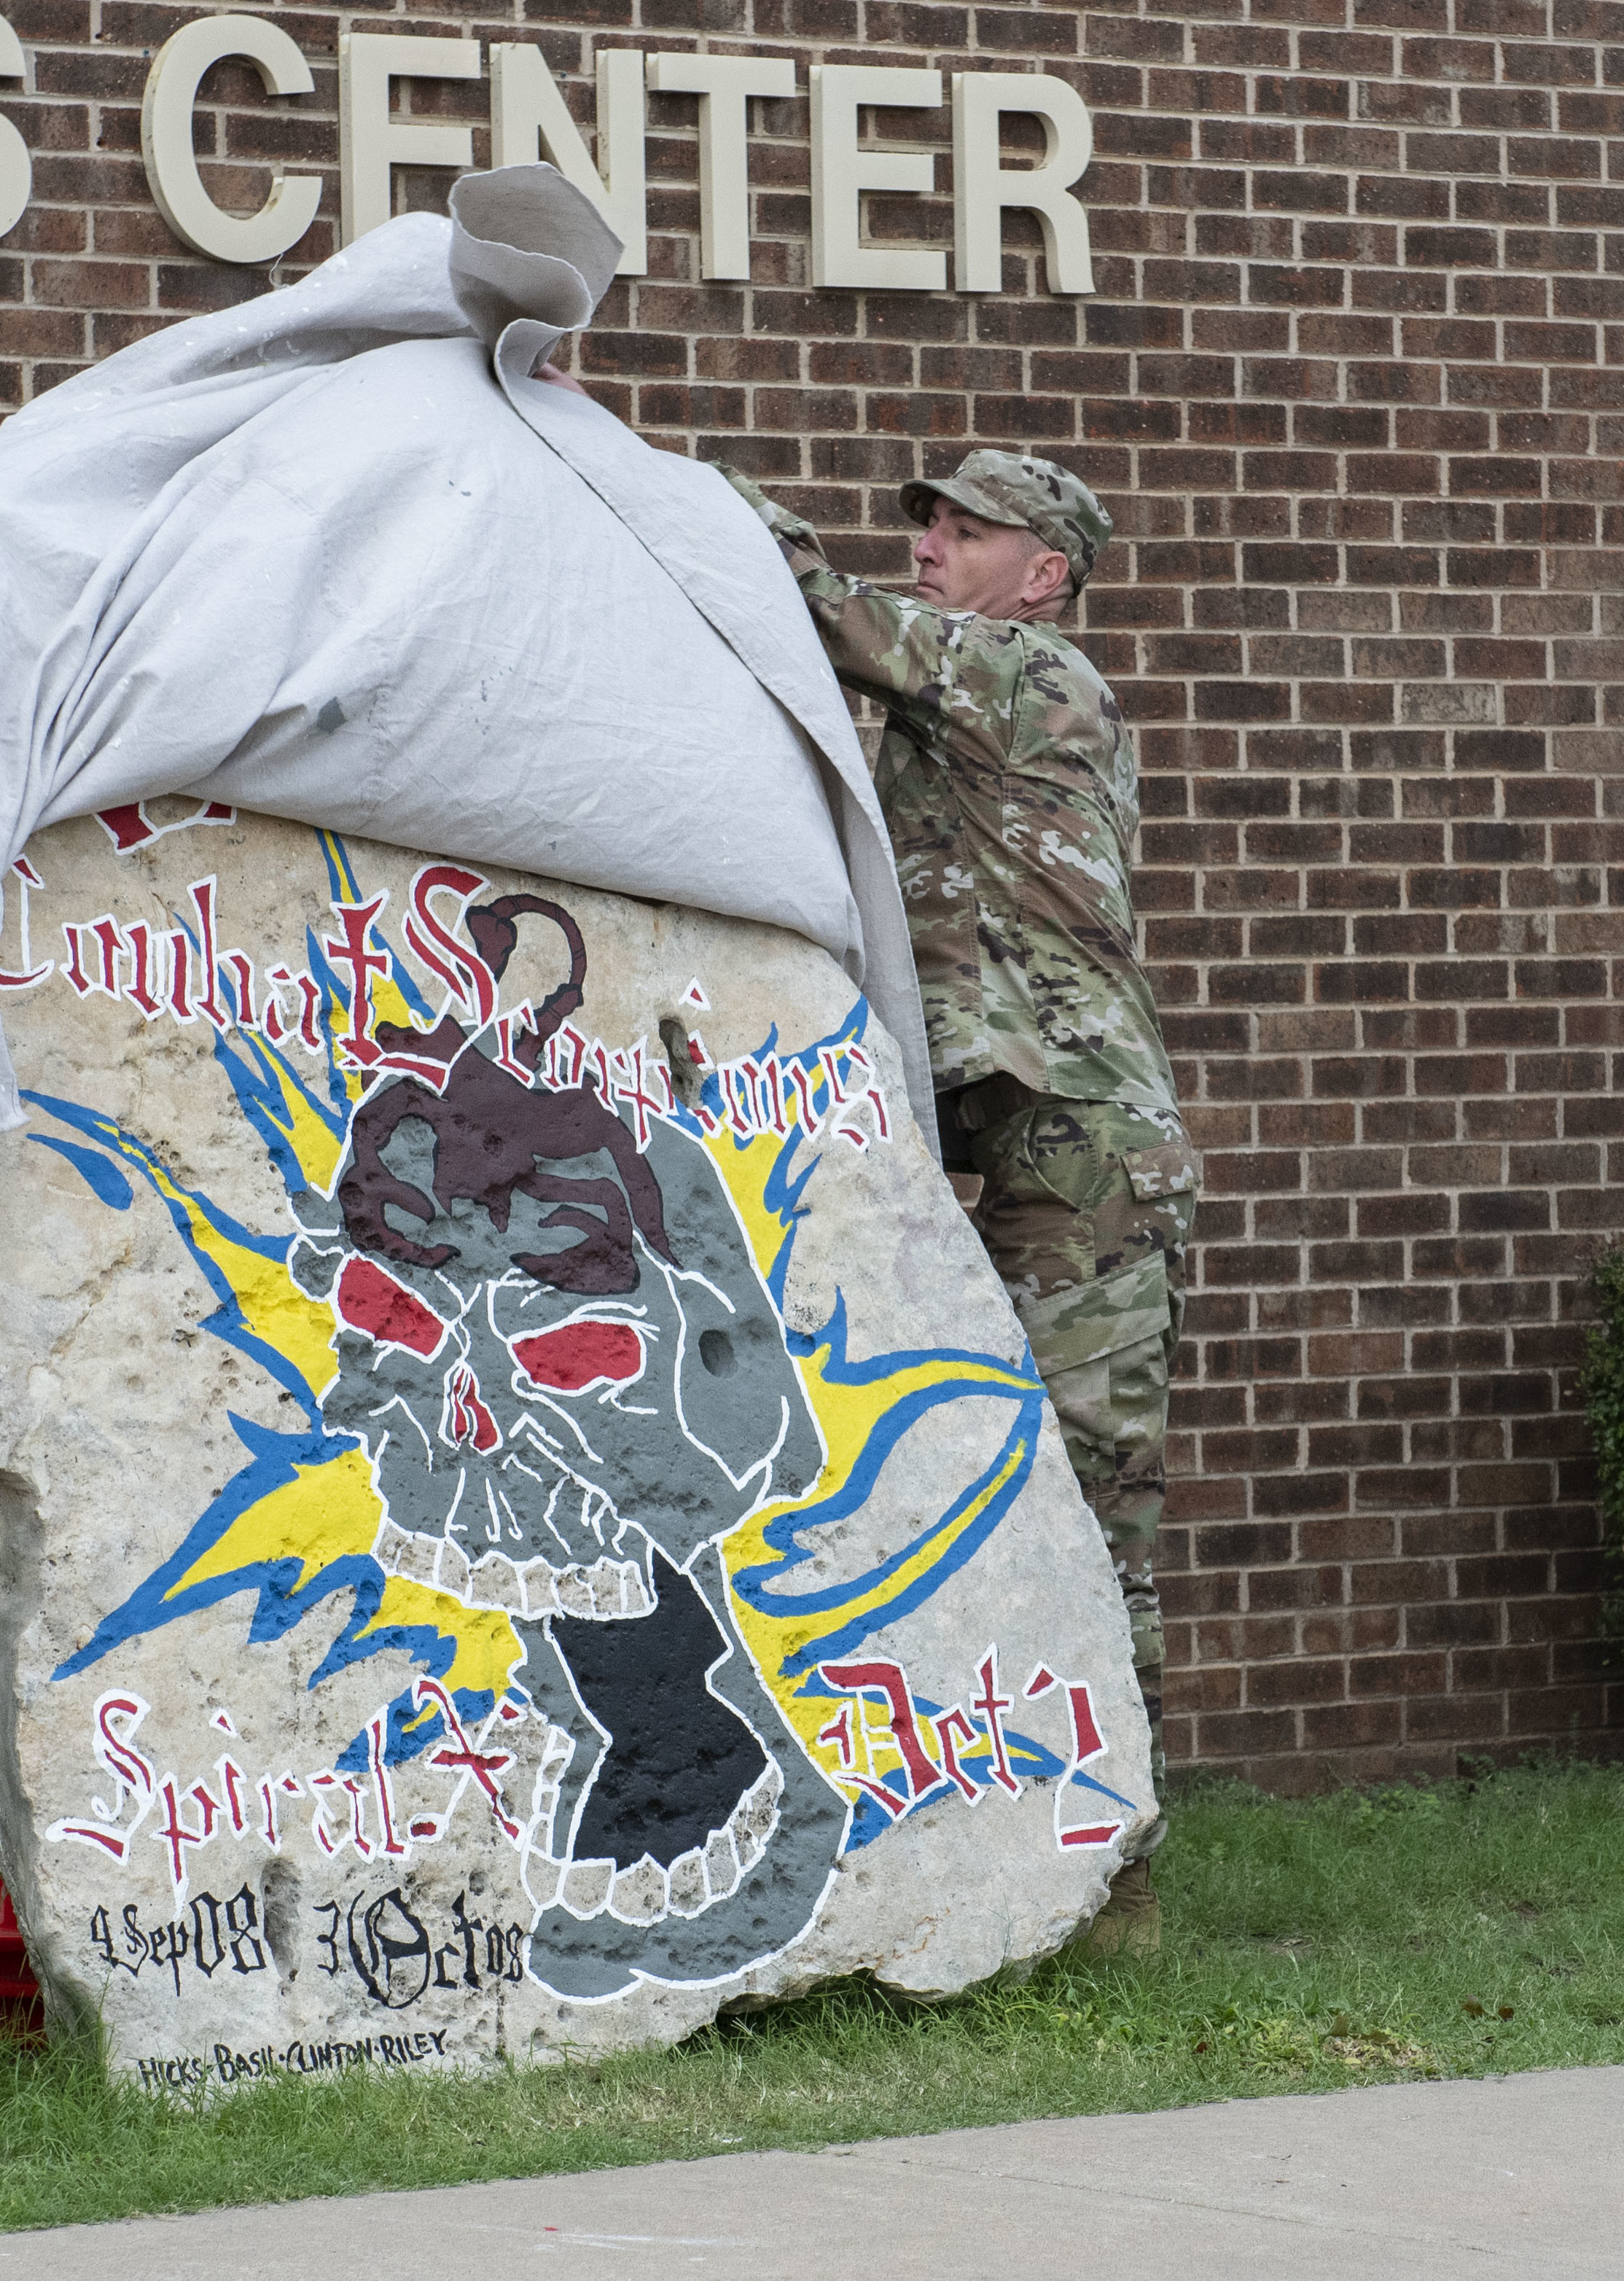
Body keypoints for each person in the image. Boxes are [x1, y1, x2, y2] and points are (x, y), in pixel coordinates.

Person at [716, 448, 1197, 1954]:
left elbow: (811, 600)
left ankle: (1115, 1876)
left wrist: (657, 468)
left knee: (1090, 1509)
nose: (926, 544)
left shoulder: (1022, 670)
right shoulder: (969, 684)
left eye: (964, 528)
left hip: (1083, 1155)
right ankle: (1014, 1840)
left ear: (1041, 570)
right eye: (923, 520)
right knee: (1003, 1497)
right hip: (1015, 1146)